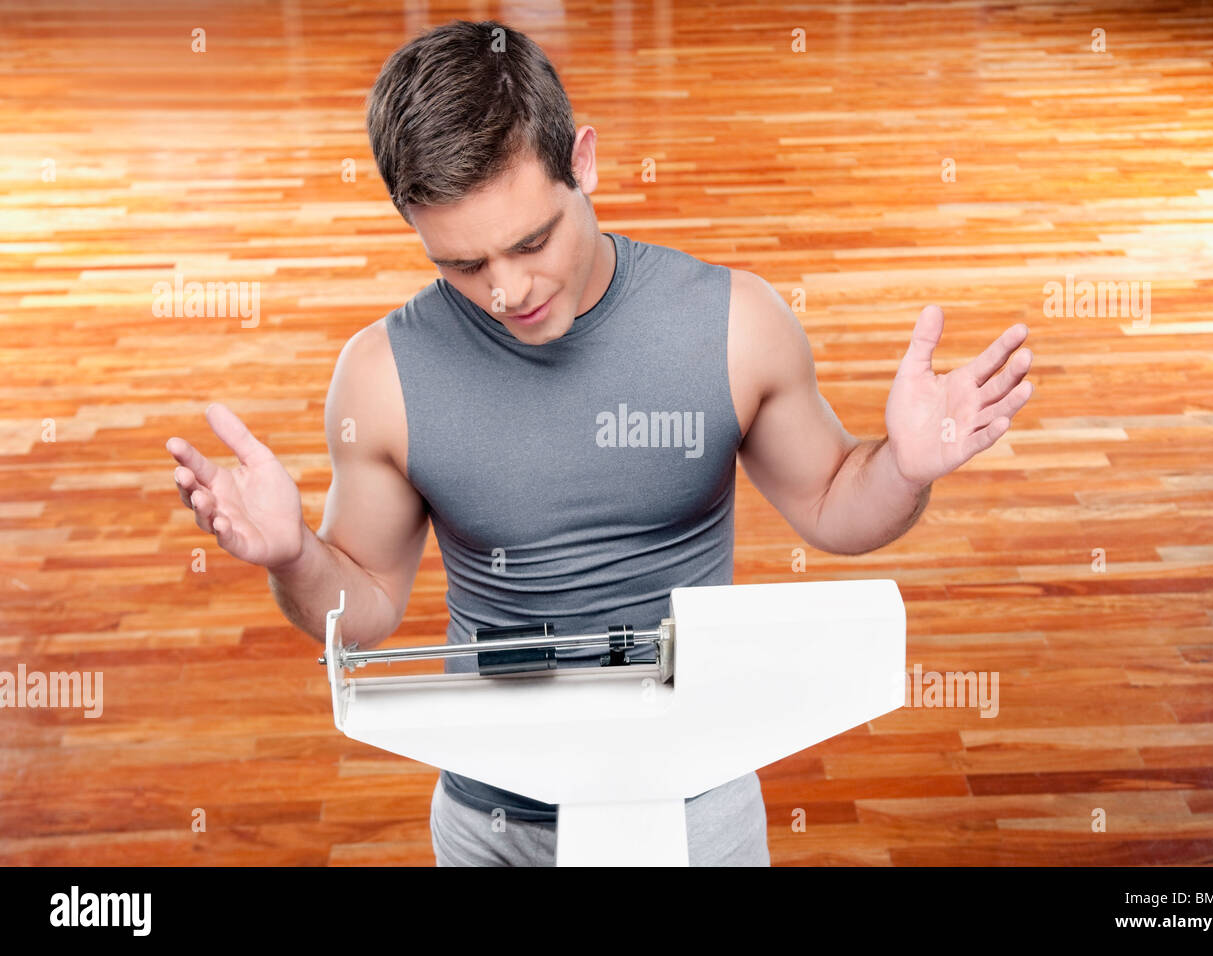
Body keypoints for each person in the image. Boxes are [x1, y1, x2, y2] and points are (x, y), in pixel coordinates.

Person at [164, 19, 1034, 866]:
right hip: (492, 819)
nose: (506, 291)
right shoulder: (380, 378)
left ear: (582, 160)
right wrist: (292, 556)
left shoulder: (734, 323)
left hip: (699, 802)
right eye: (463, 266)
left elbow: (836, 504)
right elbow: (366, 609)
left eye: (531, 241)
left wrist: (903, 467)